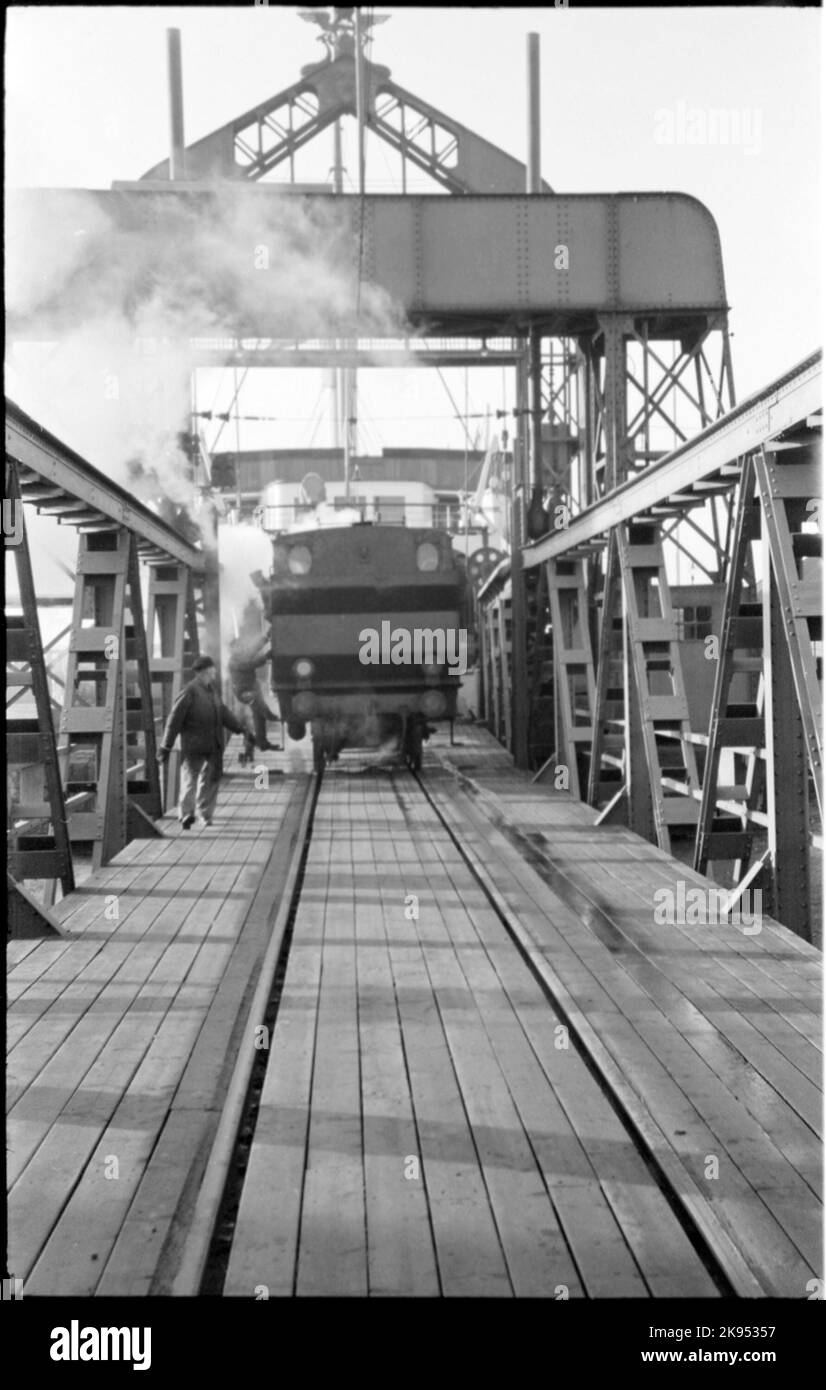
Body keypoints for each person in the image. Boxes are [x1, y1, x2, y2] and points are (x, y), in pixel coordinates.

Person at [157, 655, 246, 829]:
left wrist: (239, 728)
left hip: (213, 744)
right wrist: (165, 746)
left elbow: (223, 712)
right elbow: (174, 719)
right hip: (194, 745)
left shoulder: (211, 690)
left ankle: (205, 815)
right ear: (204, 671)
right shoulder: (190, 691)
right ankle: (186, 815)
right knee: (190, 779)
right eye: (212, 670)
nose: (214, 673)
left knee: (210, 780)